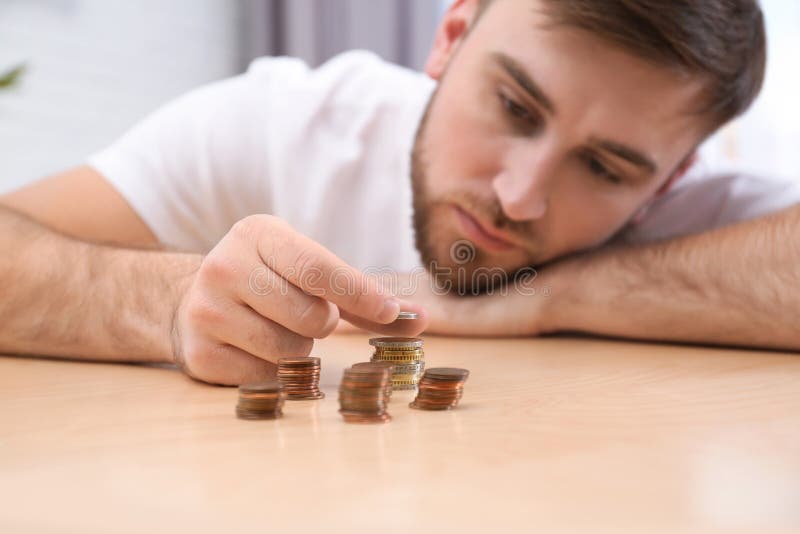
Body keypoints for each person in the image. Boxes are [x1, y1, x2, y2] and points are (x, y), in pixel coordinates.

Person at [1, 0, 795, 386]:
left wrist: (551, 297)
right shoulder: (285, 121)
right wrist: (168, 304)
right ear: (450, 38)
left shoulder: (706, 216)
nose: (518, 199)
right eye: (514, 107)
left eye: (606, 170)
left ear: (673, 180)